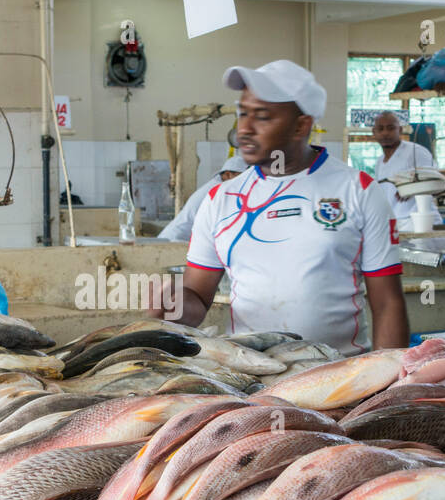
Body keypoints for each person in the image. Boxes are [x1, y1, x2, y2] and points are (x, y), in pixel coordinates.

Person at [148, 60, 409, 355]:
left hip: (339, 373)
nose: (244, 129)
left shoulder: (357, 190)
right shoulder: (221, 199)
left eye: (262, 117)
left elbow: (387, 302)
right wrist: (174, 305)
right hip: (252, 375)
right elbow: (198, 297)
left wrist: (391, 380)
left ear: (301, 125)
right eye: (243, 113)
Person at [370, 111, 445, 230]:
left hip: (420, 220)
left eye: (390, 128)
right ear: (374, 132)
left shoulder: (415, 152)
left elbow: (436, 180)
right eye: (380, 129)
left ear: (399, 130)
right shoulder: (380, 162)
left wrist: (409, 188)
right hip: (396, 221)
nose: (385, 133)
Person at [158, 154, 247, 242]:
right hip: (176, 241)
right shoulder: (218, 192)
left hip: (177, 239)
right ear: (227, 175)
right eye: (243, 177)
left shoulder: (220, 187)